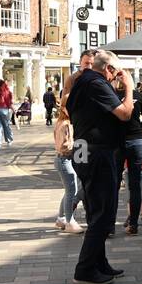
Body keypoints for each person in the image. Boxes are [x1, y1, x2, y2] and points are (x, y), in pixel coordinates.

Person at [66, 49, 134, 284]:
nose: (116, 77)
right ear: (108, 69)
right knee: (104, 214)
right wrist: (129, 87)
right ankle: (85, 269)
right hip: (97, 152)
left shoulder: (82, 80)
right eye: (116, 73)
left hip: (85, 150)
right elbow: (125, 114)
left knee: (97, 210)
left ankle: (99, 263)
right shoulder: (96, 82)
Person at [118, 77, 142, 235]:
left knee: (113, 184)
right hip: (136, 141)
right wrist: (139, 129)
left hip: (117, 142)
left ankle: (108, 228)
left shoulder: (112, 95)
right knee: (134, 186)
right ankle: (133, 224)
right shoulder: (138, 95)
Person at [52, 89, 84, 234]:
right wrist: (76, 143)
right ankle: (69, 221)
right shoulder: (66, 124)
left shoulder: (62, 121)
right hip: (64, 159)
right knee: (72, 190)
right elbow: (63, 145)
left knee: (69, 190)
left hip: (63, 159)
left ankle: (61, 218)